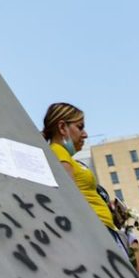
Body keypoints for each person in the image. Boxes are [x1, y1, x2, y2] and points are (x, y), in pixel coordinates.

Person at [42, 102, 118, 238]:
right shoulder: (58, 152)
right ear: (62, 127)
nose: (85, 134)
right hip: (97, 231)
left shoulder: (65, 157)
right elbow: (69, 196)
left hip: (102, 228)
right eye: (80, 127)